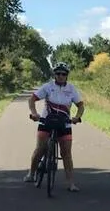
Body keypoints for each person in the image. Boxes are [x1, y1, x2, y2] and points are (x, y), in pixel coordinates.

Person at [25, 62, 85, 192]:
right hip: (46, 121)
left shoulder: (71, 89)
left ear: (67, 75)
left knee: (66, 154)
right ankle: (31, 173)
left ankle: (71, 184)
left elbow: (80, 105)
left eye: (63, 74)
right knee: (40, 148)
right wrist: (34, 113)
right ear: (54, 75)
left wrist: (77, 117)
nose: (60, 76)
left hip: (64, 123)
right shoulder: (48, 86)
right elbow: (32, 99)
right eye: (58, 74)